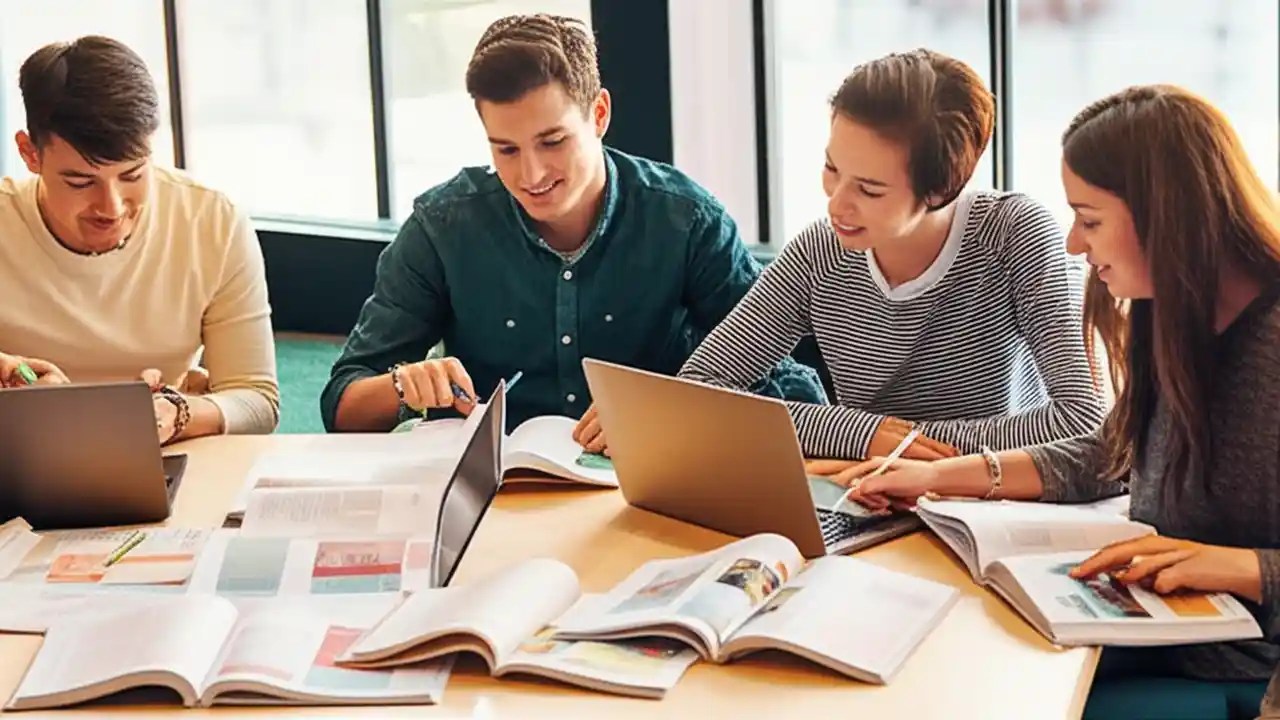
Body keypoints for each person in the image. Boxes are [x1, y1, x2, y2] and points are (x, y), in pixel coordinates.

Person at [842, 85, 1280, 719]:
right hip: (1157, 635)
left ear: (1166, 216)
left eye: (1090, 220)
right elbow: (1115, 452)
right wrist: (942, 477)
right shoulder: (1173, 310)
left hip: (1243, 670)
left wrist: (1241, 568)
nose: (1074, 244)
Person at [321, 13, 824, 447]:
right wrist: (402, 386)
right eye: (506, 149)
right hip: (499, 494)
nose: (531, 174)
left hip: (652, 484)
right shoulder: (443, 226)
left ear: (599, 114)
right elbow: (342, 403)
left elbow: (791, 387)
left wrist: (674, 408)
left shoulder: (687, 220)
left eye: (553, 141)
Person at [679, 49, 1104, 461]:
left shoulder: (1013, 235)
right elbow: (697, 392)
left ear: (939, 190)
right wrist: (859, 435)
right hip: (871, 486)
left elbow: (1083, 417)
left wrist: (905, 445)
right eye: (832, 169)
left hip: (1000, 492)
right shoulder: (818, 255)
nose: (836, 204)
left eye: (869, 190)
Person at [0, 36, 279, 444]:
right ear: (30, 154)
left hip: (166, 455)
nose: (111, 207)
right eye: (80, 182)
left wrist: (178, 412)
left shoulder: (212, 222)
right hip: (19, 456)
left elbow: (257, 400)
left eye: (132, 175)